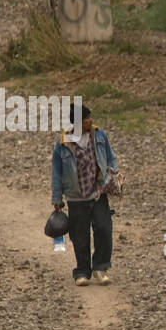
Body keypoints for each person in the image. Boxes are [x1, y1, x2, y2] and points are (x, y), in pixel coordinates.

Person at [51, 104, 121, 286]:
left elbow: (110, 156)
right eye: (86, 118)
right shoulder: (63, 143)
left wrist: (113, 172)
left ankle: (101, 267)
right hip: (76, 197)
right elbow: (56, 173)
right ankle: (82, 271)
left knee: (104, 230)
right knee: (80, 236)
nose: (90, 120)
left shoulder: (99, 135)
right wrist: (56, 198)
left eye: (89, 117)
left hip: (98, 193)